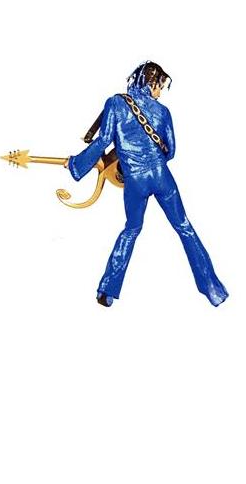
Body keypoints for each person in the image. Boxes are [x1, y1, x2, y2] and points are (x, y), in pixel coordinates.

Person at [66, 61, 228, 308]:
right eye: (159, 86)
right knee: (184, 228)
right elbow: (170, 151)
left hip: (135, 181)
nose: (160, 93)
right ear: (151, 82)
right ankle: (213, 289)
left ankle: (107, 291)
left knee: (131, 230)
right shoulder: (163, 112)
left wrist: (76, 164)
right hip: (162, 178)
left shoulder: (115, 103)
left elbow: (103, 141)